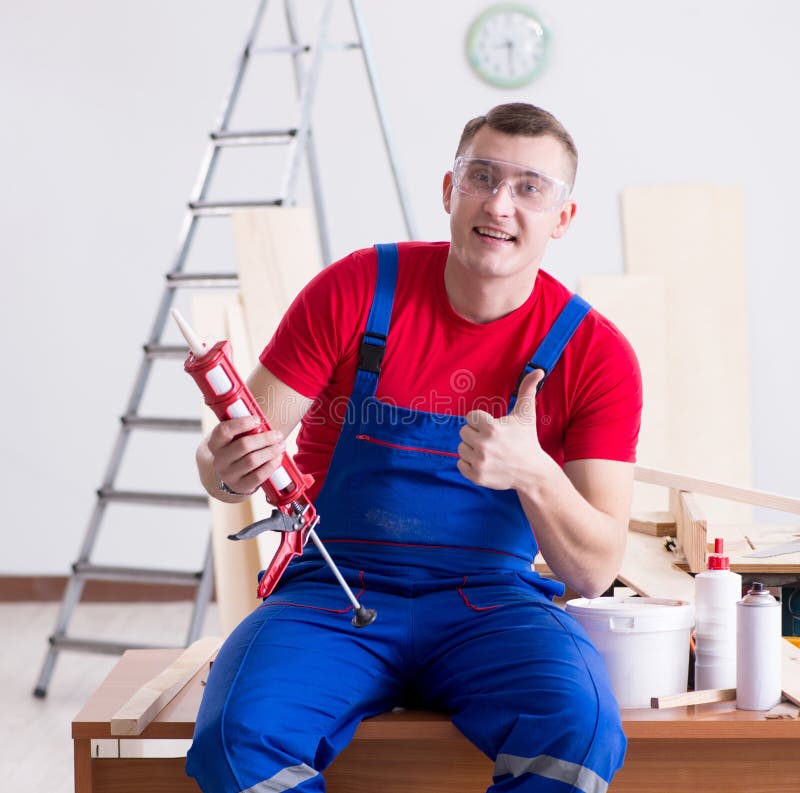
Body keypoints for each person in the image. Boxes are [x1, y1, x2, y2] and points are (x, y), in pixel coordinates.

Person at [186, 102, 642, 793]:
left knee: (577, 730)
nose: (499, 203)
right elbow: (230, 462)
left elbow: (594, 570)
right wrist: (226, 469)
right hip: (334, 591)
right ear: (448, 191)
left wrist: (534, 474)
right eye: (481, 176)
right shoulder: (357, 290)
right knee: (235, 735)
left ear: (563, 218)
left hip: (494, 604)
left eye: (529, 187)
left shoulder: (595, 354)